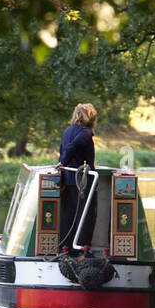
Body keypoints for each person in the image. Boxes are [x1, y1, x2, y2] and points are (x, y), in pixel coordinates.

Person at [57, 103, 97, 251]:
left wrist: (61, 164)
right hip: (83, 180)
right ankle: (82, 247)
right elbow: (72, 147)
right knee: (86, 213)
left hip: (69, 178)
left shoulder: (67, 131)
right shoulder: (85, 132)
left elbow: (63, 150)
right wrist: (63, 162)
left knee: (69, 212)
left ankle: (65, 246)